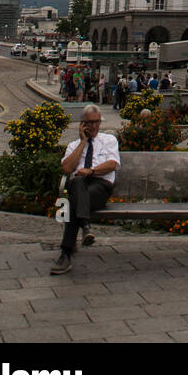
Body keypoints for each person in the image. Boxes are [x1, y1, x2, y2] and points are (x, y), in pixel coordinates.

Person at [51, 106, 120, 275]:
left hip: (100, 187)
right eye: (89, 122)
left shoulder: (109, 140)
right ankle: (85, 227)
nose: (94, 126)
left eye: (96, 122)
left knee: (74, 201)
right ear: (82, 124)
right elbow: (67, 168)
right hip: (79, 186)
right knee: (77, 182)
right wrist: (83, 142)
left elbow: (112, 164)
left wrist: (92, 171)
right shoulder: (74, 145)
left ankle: (66, 255)